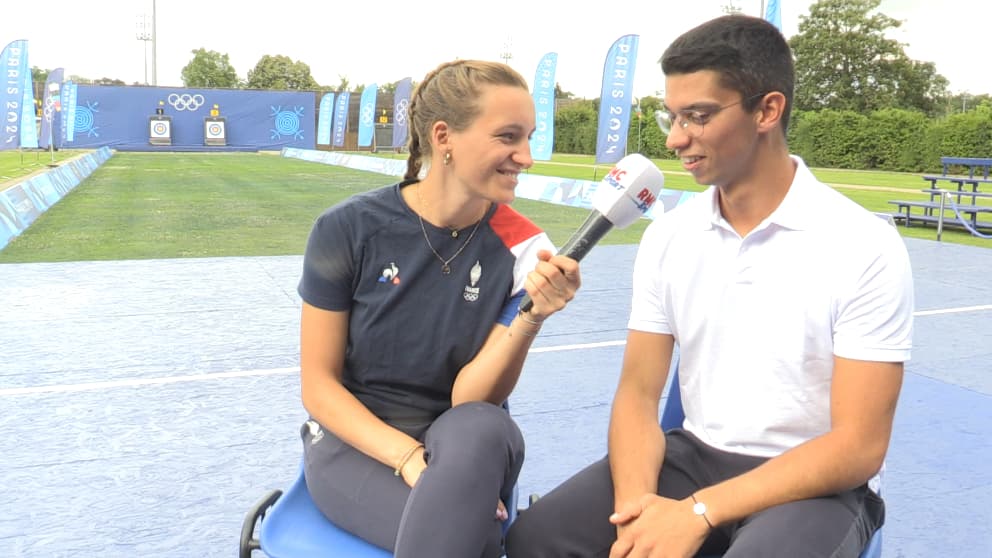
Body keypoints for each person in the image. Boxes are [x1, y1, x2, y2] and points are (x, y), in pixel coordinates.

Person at [505, 14, 913, 558]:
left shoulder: (863, 245)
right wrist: (636, 513)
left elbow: (858, 446)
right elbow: (637, 395)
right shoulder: (670, 236)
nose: (675, 139)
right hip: (693, 456)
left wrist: (699, 512)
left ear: (767, 110)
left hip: (816, 485)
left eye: (696, 117)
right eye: (671, 116)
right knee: (535, 539)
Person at [296, 59, 581, 558]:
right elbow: (319, 386)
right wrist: (407, 457)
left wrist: (531, 315)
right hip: (357, 445)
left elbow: (469, 398)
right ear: (445, 136)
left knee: (485, 425)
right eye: (509, 137)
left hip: (463, 445)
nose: (528, 157)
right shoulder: (346, 229)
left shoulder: (526, 249)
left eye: (529, 137)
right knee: (473, 541)